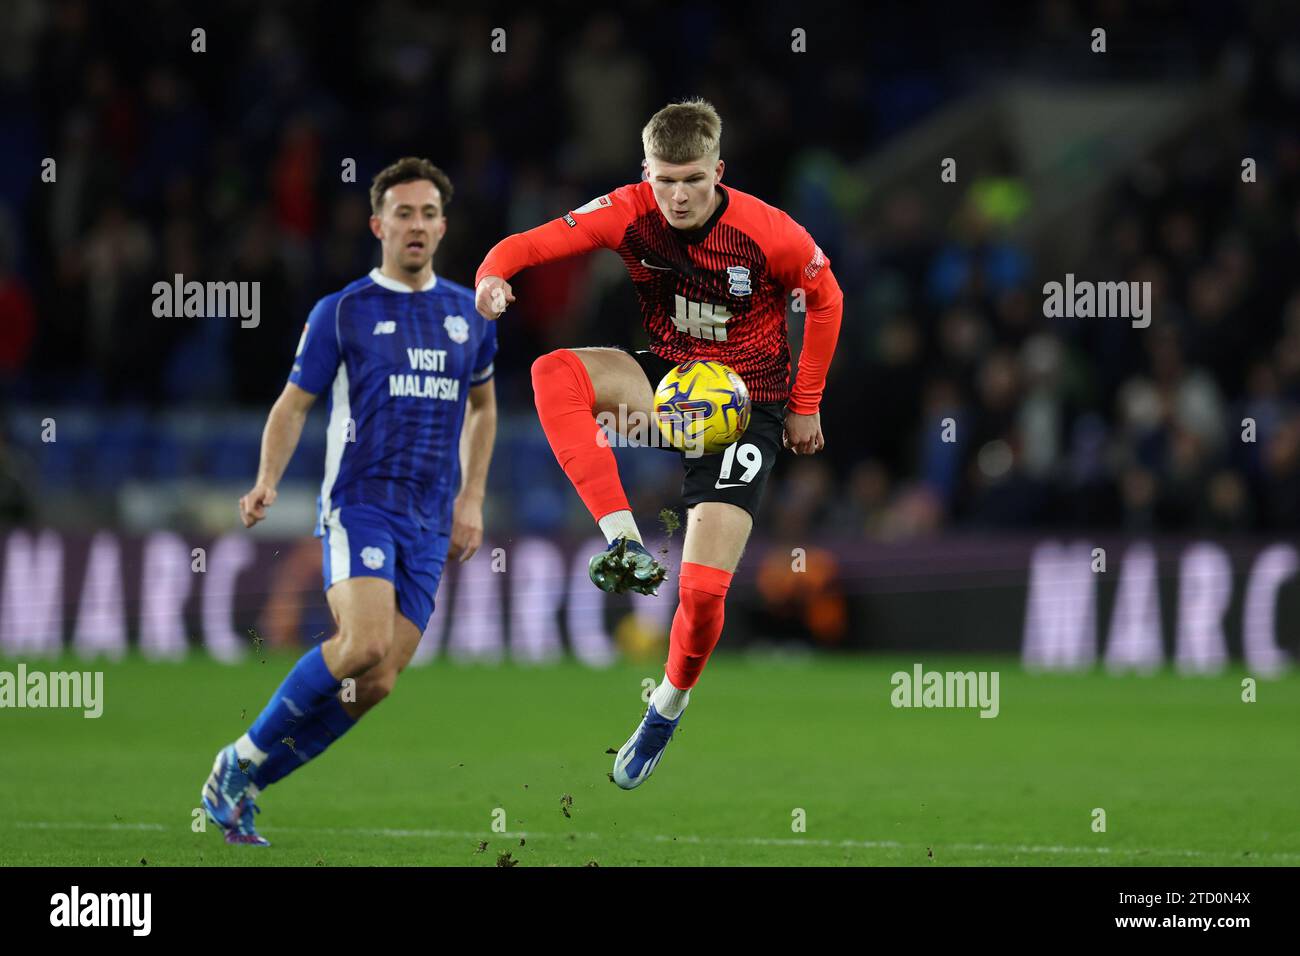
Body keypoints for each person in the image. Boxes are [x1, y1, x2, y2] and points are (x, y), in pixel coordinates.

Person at [473, 99, 842, 789]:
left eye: (693, 181)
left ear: (718, 172)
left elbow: (827, 299)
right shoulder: (628, 209)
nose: (676, 196)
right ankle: (624, 541)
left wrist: (805, 405)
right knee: (553, 371)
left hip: (748, 404)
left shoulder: (769, 233)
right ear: (646, 171)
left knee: (701, 596)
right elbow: (527, 246)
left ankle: (666, 706)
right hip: (672, 381)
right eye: (665, 180)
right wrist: (490, 279)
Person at [200, 157, 498, 845]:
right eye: (403, 213)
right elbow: (292, 404)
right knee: (361, 644)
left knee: (380, 681)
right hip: (361, 503)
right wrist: (267, 479)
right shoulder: (343, 312)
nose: (416, 225)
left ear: (444, 226)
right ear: (378, 224)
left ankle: (248, 783)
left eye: (427, 214)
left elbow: (484, 408)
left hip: (430, 517)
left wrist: (472, 498)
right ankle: (236, 758)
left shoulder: (469, 314)